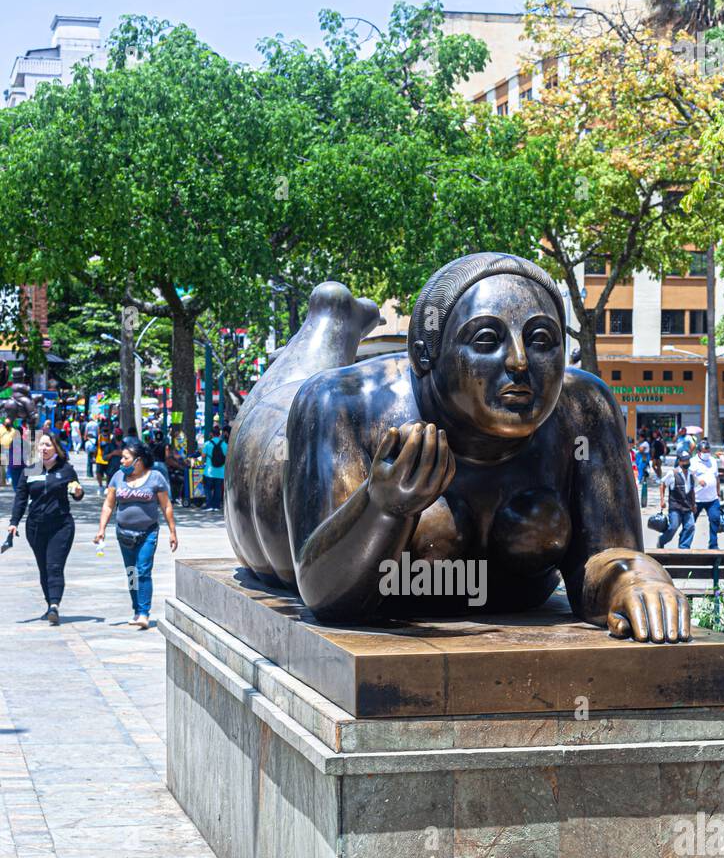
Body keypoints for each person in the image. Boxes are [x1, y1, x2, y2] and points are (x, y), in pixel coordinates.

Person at [230, 255, 691, 640]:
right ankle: (331, 316)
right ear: (425, 354)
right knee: (295, 380)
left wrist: (632, 577)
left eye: (542, 340)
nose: (519, 361)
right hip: (264, 462)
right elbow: (325, 595)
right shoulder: (343, 403)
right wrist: (380, 508)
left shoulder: (582, 407)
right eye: (487, 339)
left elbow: (605, 556)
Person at [94, 438, 178, 629]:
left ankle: (143, 612)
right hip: (123, 533)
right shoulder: (117, 477)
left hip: (148, 532)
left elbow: (166, 506)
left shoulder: (156, 477)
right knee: (131, 572)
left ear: (137, 460)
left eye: (125, 458)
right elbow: (108, 505)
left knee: (143, 570)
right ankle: (136, 607)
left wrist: (172, 531)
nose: (121, 461)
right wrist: (101, 529)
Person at [6, 430, 84, 625]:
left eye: (48, 445)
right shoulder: (31, 470)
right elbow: (21, 499)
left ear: (56, 447)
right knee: (43, 568)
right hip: (35, 528)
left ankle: (55, 605)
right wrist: (13, 523)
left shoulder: (66, 469)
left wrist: (78, 491)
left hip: (61, 526)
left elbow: (76, 493)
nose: (44, 448)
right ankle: (49, 604)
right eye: (41, 444)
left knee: (54, 566)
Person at [657, 448, 697, 549]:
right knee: (673, 527)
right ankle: (662, 540)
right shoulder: (672, 473)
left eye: (688, 460)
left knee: (690, 526)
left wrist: (694, 504)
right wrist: (662, 500)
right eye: (684, 460)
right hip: (676, 507)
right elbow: (662, 484)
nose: (686, 462)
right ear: (679, 461)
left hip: (688, 507)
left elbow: (692, 490)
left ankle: (684, 547)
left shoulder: (692, 474)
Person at [690, 437, 723, 548]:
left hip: (712, 499)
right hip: (697, 499)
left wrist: (719, 493)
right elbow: (688, 477)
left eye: (708, 451)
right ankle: (684, 546)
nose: (707, 454)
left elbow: (717, 478)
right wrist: (698, 480)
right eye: (705, 452)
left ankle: (713, 545)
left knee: (715, 520)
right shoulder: (693, 462)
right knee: (690, 524)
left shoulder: (713, 461)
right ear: (699, 452)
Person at [202, 423, 228, 511]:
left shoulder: (207, 444)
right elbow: (227, 456)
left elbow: (203, 455)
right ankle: (216, 506)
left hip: (209, 471)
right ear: (219, 434)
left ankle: (209, 505)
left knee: (207, 488)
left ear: (211, 434)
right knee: (218, 488)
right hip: (220, 471)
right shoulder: (224, 445)